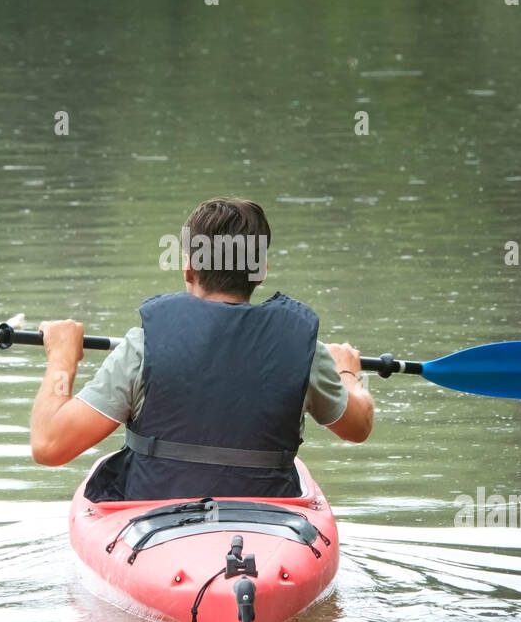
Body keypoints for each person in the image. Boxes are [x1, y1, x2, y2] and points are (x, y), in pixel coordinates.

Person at [29, 197, 374, 500]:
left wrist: (62, 357)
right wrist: (347, 373)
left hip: (156, 526)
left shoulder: (143, 345)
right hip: (267, 527)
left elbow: (49, 446)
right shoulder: (305, 351)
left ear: (189, 269)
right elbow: (358, 429)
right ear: (261, 271)